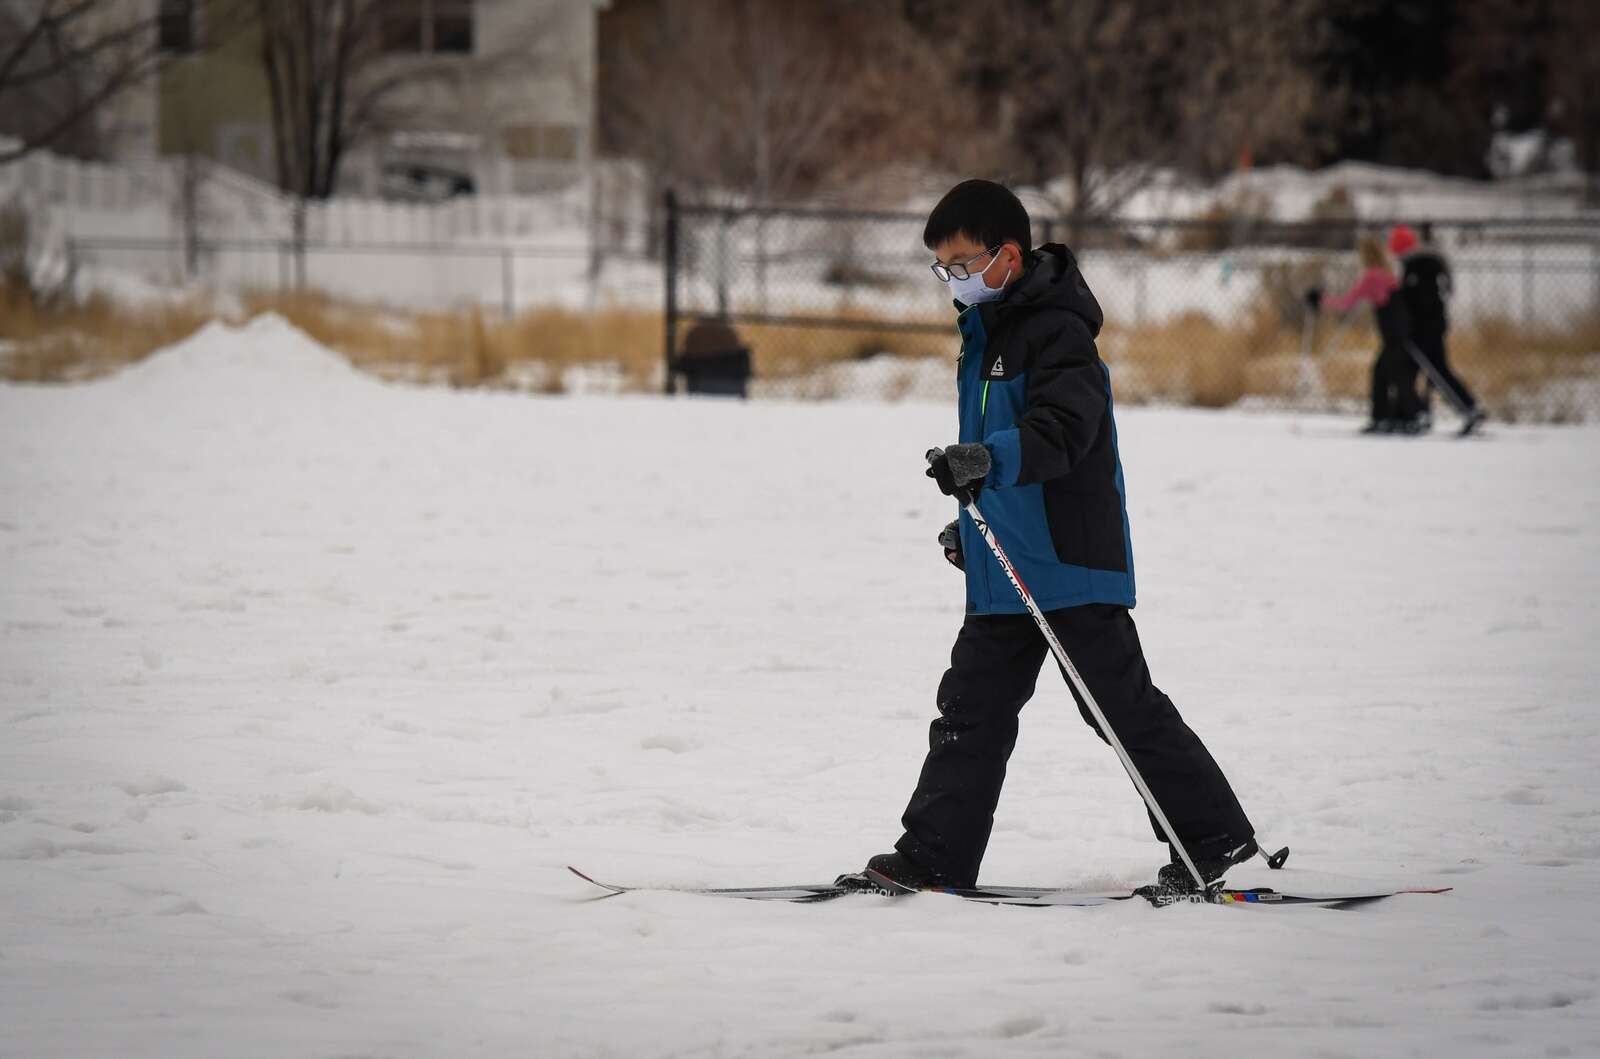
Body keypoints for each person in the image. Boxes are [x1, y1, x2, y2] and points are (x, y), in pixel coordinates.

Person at [843, 180, 1259, 895]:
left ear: (1008, 255)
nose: (956, 280)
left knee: (1118, 709)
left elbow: (1061, 434)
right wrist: (970, 524)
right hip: (1006, 568)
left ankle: (1215, 840)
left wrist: (986, 461)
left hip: (1067, 560)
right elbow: (995, 454)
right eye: (944, 268)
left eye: (965, 263)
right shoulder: (982, 336)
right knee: (969, 711)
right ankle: (936, 857)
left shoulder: (1059, 330)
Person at [1308, 235, 1421, 434]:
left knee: (1384, 374)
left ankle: (1395, 416)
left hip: (1392, 334)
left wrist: (1320, 300)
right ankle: (1400, 415)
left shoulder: (1372, 277)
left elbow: (1347, 302)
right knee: (1389, 373)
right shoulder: (1388, 274)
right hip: (1400, 332)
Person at [1392, 224, 1484, 433]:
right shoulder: (1427, 264)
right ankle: (1415, 413)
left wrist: (1407, 321)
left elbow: (1419, 303)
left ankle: (1468, 408)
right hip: (1429, 328)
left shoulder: (1418, 267)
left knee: (1437, 371)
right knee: (1411, 371)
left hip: (1424, 330)